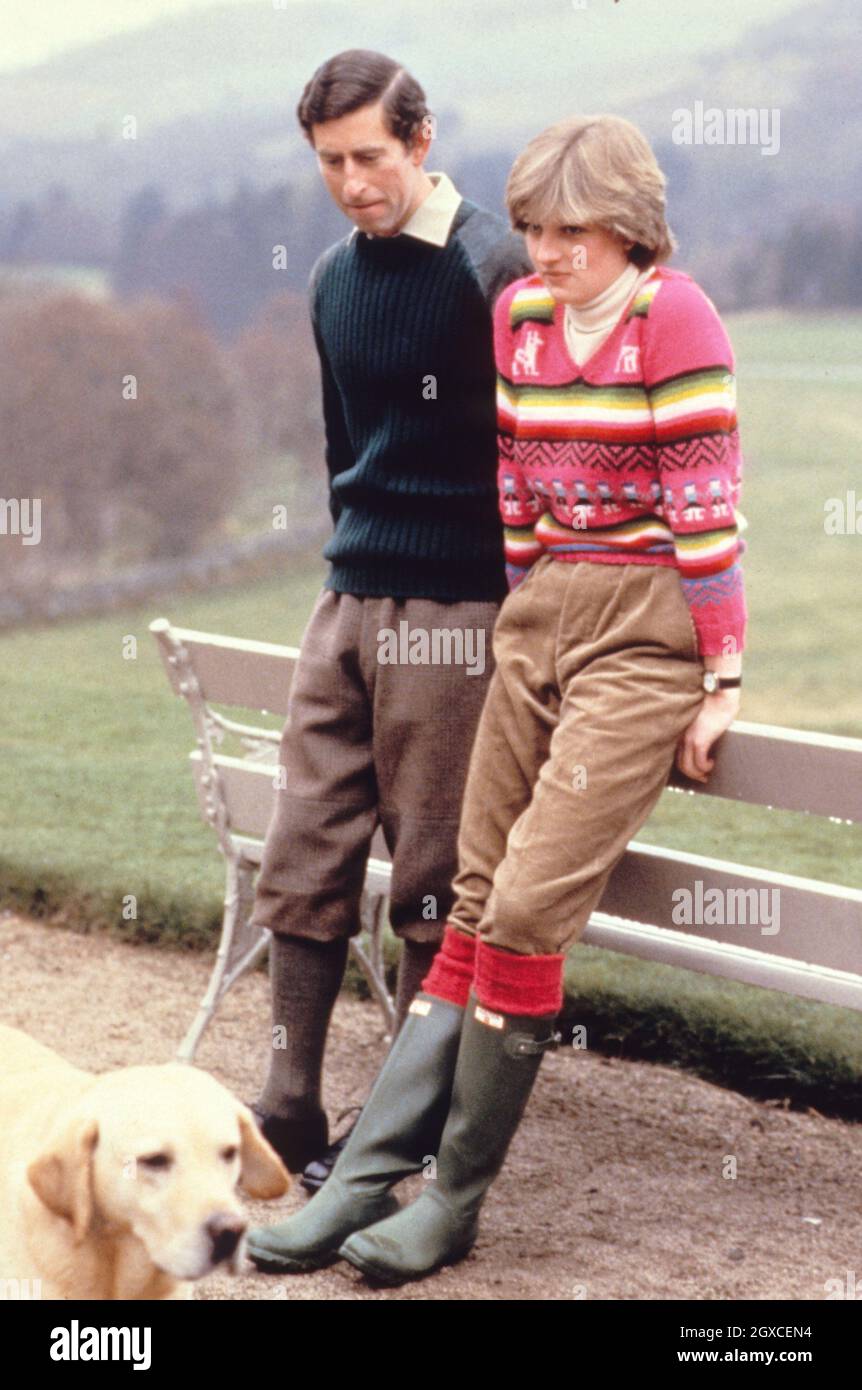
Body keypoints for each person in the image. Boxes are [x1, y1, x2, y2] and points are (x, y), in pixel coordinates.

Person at [248, 113, 746, 1284]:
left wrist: (719, 678)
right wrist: (527, 611)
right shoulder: (520, 314)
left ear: (627, 228)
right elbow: (517, 478)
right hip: (539, 614)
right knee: (472, 898)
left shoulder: (673, 316)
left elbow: (706, 511)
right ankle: (366, 1180)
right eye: (530, 229)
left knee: (521, 908)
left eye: (571, 231)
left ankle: (453, 1200)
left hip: (645, 625)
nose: (546, 253)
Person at [246, 49, 531, 1193]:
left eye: (371, 156)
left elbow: (536, 450)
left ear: (419, 142)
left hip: (459, 611)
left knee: (430, 872)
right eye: (330, 163)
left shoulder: (491, 268)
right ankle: (290, 1101)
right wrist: (349, 579)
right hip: (348, 597)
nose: (354, 182)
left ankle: (398, 1134)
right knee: (302, 848)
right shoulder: (330, 280)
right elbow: (340, 447)